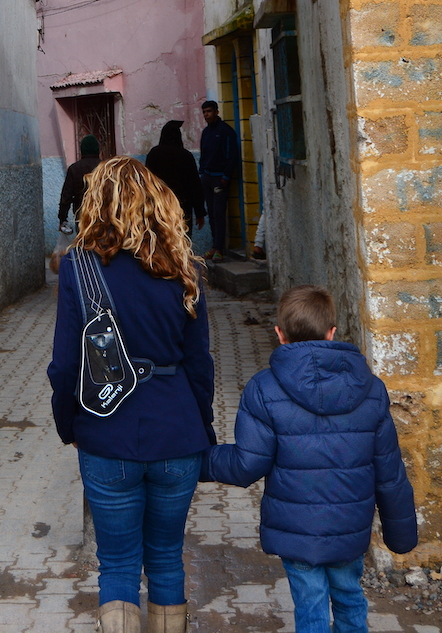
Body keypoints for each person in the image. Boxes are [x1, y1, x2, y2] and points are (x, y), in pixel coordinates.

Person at [48, 157, 215, 633]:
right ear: (158, 203)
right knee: (166, 557)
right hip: (177, 433)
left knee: (118, 563)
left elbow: (64, 367)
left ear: (96, 206)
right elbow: (200, 366)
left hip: (107, 434)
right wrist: (201, 430)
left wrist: (70, 427)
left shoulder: (78, 269)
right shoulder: (184, 270)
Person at [204, 285, 417, 633]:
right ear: (332, 332)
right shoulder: (372, 389)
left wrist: (201, 461)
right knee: (349, 596)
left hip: (297, 529)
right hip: (350, 526)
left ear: (279, 334)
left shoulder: (264, 388)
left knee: (310, 605)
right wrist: (401, 534)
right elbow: (389, 471)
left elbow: (247, 464)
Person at [145, 119, 205, 236]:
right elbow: (195, 185)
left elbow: (147, 183)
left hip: (160, 206)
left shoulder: (154, 154)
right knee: (182, 239)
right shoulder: (186, 156)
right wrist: (200, 213)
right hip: (182, 206)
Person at [198, 100, 239, 261]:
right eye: (204, 112)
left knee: (219, 213)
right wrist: (202, 173)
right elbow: (203, 154)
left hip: (219, 179)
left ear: (216, 112)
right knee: (212, 213)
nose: (206, 115)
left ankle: (219, 248)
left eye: (209, 111)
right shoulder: (206, 132)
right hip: (207, 178)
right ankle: (214, 246)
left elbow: (232, 156)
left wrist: (225, 177)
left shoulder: (226, 131)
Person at [57, 134, 101, 230]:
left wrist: (62, 219)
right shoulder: (106, 167)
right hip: (104, 216)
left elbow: (66, 197)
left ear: (82, 150)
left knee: (84, 243)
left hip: (82, 216)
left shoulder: (74, 168)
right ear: (98, 149)